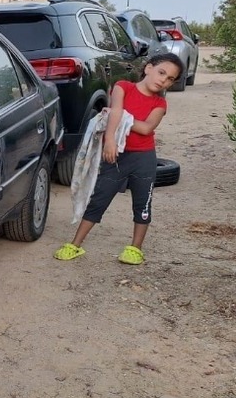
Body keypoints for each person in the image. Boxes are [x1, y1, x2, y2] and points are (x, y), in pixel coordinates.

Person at [54, 53, 184, 265]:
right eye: (161, 72)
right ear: (148, 68)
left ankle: (135, 248)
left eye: (170, 78)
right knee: (99, 198)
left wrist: (121, 114)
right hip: (116, 156)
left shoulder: (159, 104)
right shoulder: (123, 86)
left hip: (144, 158)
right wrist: (110, 141)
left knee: (143, 203)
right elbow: (116, 112)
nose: (163, 80)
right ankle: (75, 244)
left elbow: (146, 127)